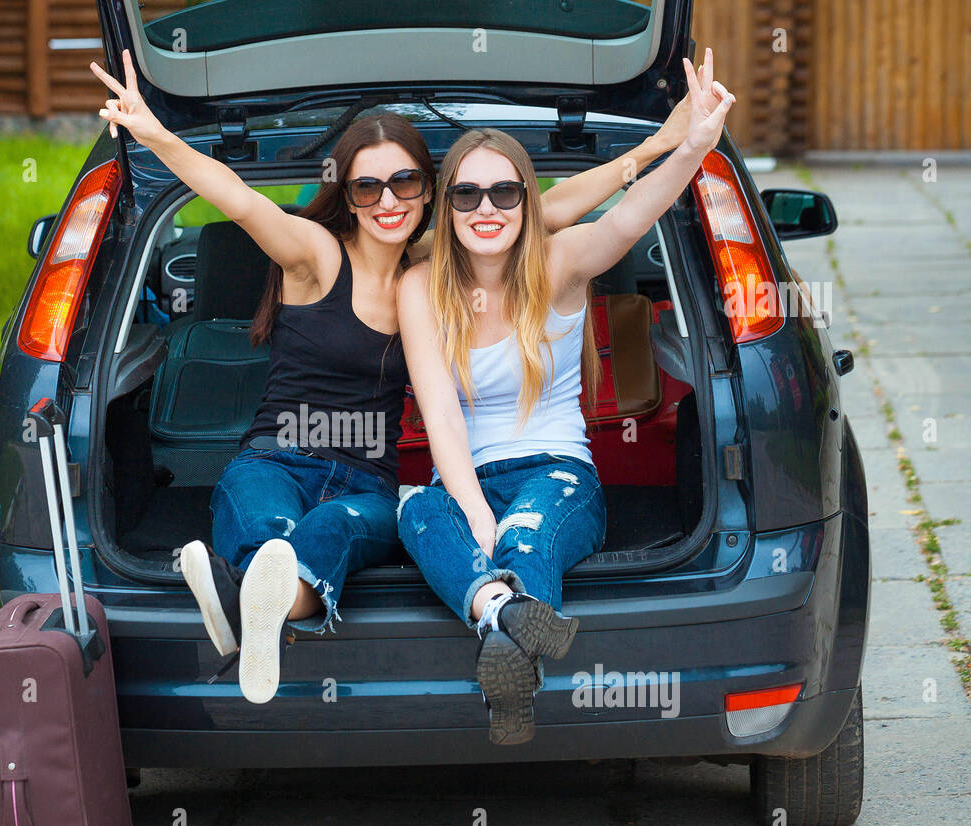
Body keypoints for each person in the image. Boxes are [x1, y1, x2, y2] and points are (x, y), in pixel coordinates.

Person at [90, 51, 696, 705]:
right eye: (366, 187)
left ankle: (249, 601)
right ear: (346, 196)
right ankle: (261, 594)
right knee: (266, 521)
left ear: (428, 193)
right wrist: (155, 137)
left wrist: (661, 144)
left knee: (336, 528)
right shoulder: (317, 255)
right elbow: (238, 200)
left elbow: (543, 209)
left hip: (366, 481)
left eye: (405, 183)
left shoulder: (428, 266)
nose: (387, 201)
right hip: (275, 455)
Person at [396, 52, 735, 743]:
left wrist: (690, 146)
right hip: (466, 480)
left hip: (559, 474)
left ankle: (502, 634)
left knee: (527, 534)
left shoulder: (560, 262)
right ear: (446, 205)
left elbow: (630, 215)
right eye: (465, 195)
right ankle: (509, 623)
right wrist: (475, 516)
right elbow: (441, 425)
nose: (485, 209)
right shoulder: (420, 288)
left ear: (528, 200)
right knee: (416, 509)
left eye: (504, 194)